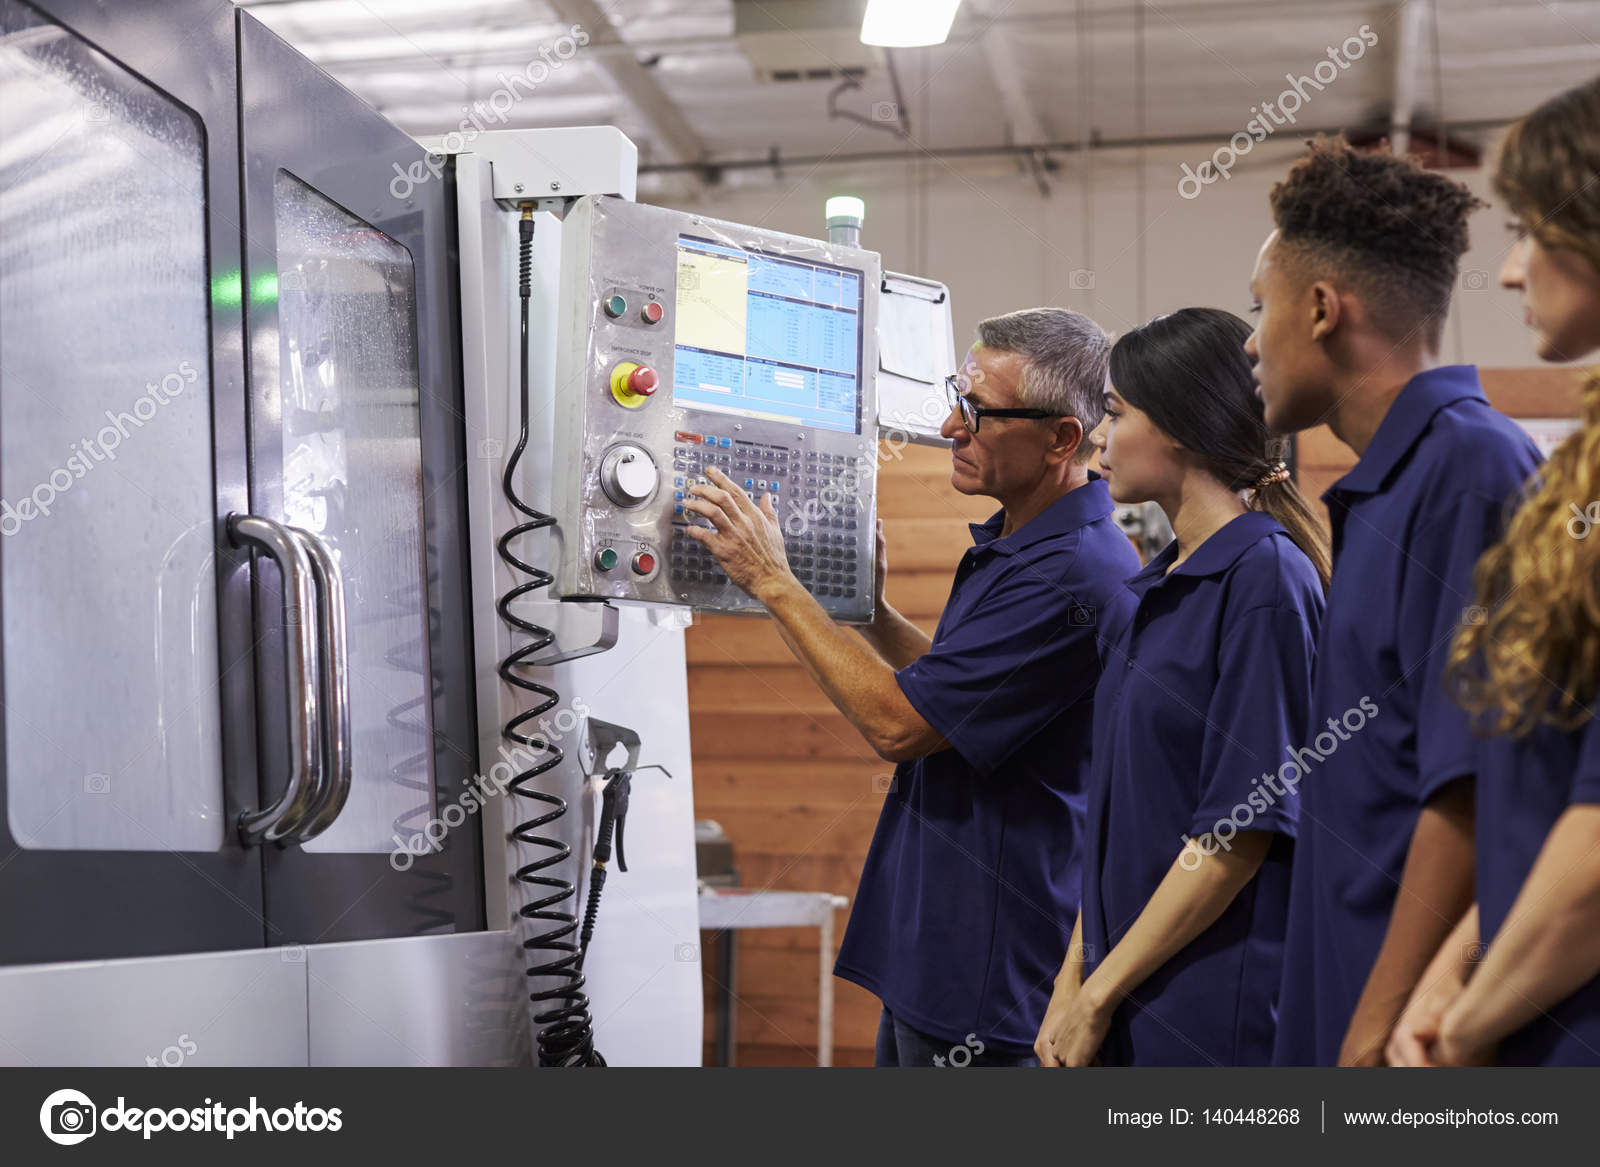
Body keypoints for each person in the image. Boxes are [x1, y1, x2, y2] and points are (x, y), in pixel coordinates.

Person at [684, 308, 1140, 1066]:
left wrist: (773, 580)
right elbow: (961, 699)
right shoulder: (1029, 547)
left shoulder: (1075, 574)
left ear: (1063, 438)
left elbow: (900, 725)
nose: (949, 425)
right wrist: (874, 616)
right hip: (934, 956)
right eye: (955, 397)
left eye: (978, 412)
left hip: (986, 978)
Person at [1252, 137, 1543, 1066]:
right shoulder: (1382, 487)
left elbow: (1468, 789)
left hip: (1403, 1037)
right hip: (1338, 991)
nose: (1251, 341)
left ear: (1323, 308)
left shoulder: (1470, 468)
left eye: (1261, 310)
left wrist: (1371, 1035)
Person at [1034, 308, 1327, 1067]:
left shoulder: (1264, 578)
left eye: (1118, 412)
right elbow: (1113, 822)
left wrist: (1099, 994)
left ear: (1182, 427)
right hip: (1119, 997)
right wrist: (1073, 978)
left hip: (1206, 1018)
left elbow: (1237, 833)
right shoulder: (1152, 589)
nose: (1099, 435)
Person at [1388, 76, 1600, 1067]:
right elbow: (1547, 799)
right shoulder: (1576, 478)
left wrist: (1466, 1024)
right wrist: (1459, 964)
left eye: (1529, 231)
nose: (1510, 273)